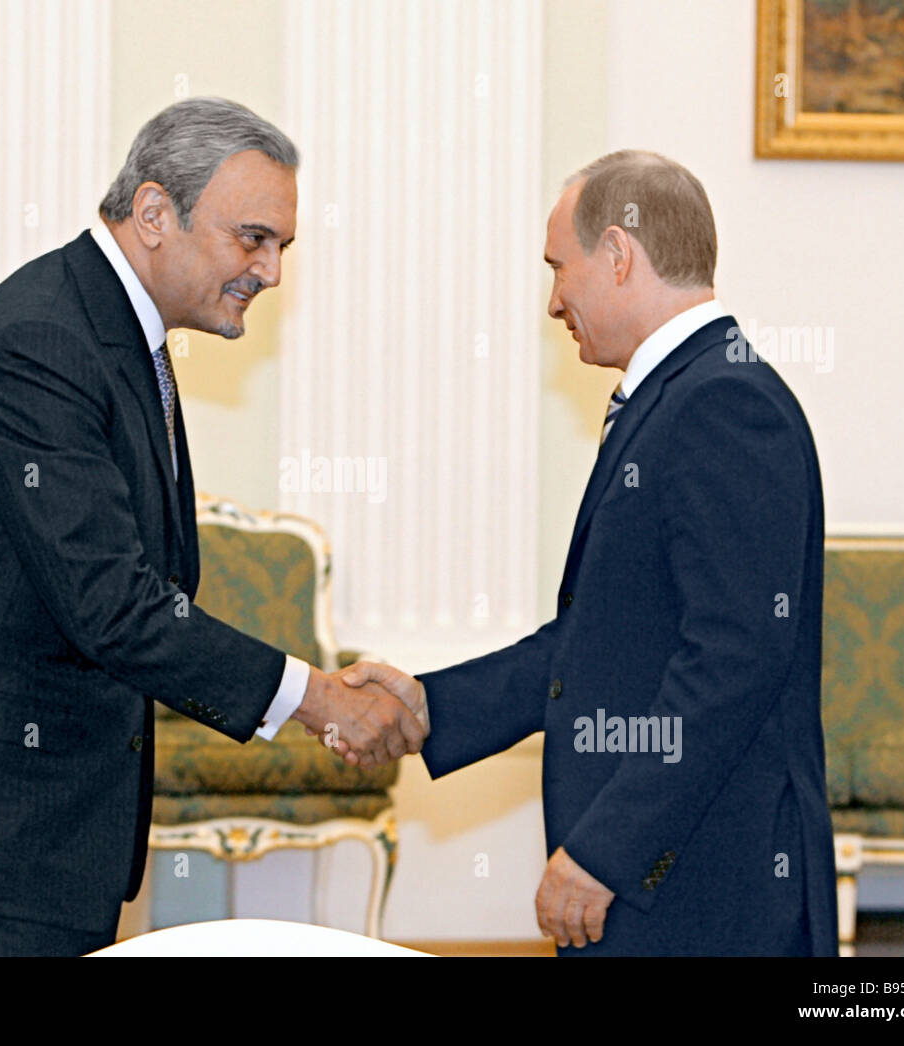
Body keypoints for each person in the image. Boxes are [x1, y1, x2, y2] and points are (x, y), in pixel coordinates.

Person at [0, 98, 426, 957]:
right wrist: (317, 698)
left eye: (282, 246)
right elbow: (112, 602)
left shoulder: (110, 328)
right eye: (253, 238)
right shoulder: (42, 342)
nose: (272, 270)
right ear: (153, 213)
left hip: (40, 811)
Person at [344, 150, 838, 956]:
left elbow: (734, 660)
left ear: (617, 253)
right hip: (671, 882)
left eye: (558, 268)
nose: (552, 303)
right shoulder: (680, 395)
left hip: (710, 887)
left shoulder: (724, 403)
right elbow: (598, 643)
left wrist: (608, 846)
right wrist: (433, 705)